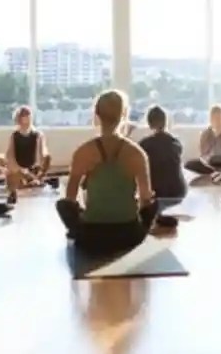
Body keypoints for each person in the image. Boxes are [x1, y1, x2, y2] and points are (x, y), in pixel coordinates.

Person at [57, 90, 158, 254]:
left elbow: (70, 199)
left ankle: (77, 232)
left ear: (96, 114)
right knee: (154, 203)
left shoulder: (83, 152)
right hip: (129, 235)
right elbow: (146, 199)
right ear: (124, 114)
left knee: (62, 205)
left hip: (91, 236)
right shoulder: (137, 153)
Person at [138, 105, 187, 204]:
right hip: (178, 191)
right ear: (165, 122)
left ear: (149, 123)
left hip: (156, 193)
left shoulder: (144, 145)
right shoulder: (176, 143)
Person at [5, 105, 51, 200]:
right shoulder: (14, 136)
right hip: (18, 170)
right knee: (13, 176)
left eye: (28, 115)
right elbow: (10, 156)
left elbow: (43, 153)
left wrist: (45, 162)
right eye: (23, 115)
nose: (26, 118)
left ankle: (32, 182)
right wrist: (19, 170)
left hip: (32, 169)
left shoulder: (38, 135)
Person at [186, 104, 221, 177]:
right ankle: (214, 171)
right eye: (215, 119)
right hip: (210, 163)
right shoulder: (206, 133)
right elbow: (203, 153)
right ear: (211, 120)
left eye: (220, 118)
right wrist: (214, 137)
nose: (218, 121)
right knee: (189, 164)